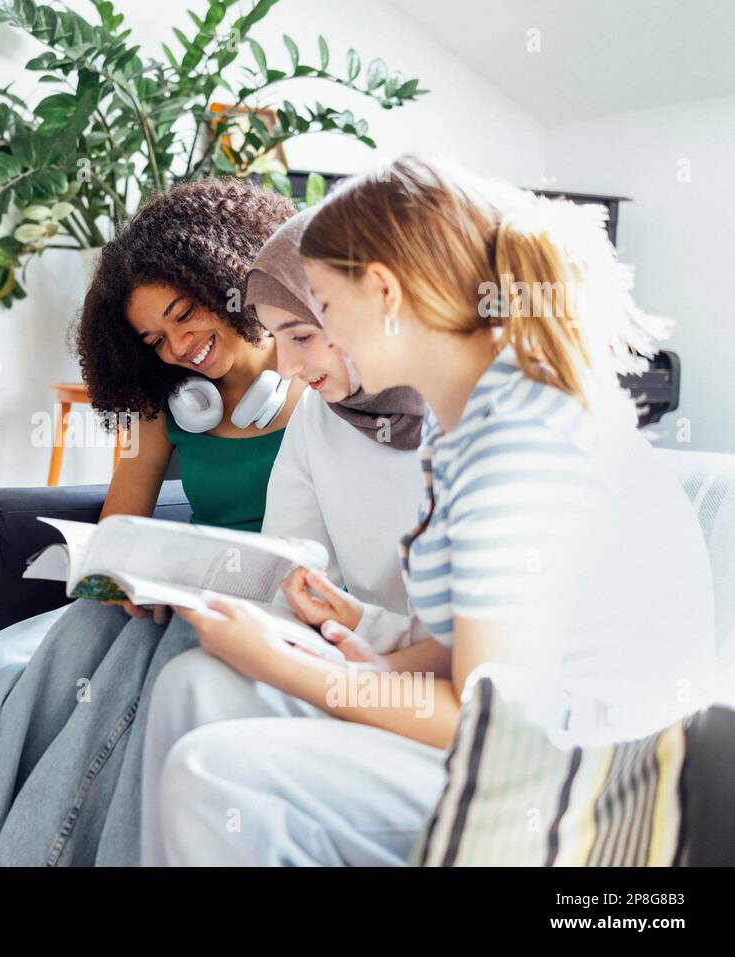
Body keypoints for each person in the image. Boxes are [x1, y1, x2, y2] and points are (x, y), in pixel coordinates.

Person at [154, 154, 717, 866]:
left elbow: (487, 717)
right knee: (196, 691)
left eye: (322, 309)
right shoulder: (468, 424)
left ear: (385, 291)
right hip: (522, 738)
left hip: (589, 783)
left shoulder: (520, 440)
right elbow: (472, 654)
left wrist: (295, 667)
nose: (295, 361)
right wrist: (361, 643)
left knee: (212, 772)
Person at [0, 177, 302, 867]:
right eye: (155, 337)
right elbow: (122, 522)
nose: (179, 345)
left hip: (263, 601)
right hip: (182, 591)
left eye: (186, 314)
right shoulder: (167, 400)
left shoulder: (320, 373)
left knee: (142, 669)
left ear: (225, 275)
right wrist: (123, 571)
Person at [138, 207, 428, 864]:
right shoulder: (318, 423)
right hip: (380, 651)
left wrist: (321, 656)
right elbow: (285, 573)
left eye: (299, 335)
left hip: (424, 682)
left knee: (209, 768)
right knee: (187, 680)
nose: (290, 369)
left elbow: (468, 668)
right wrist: (227, 597)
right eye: (278, 338)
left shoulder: (470, 420)